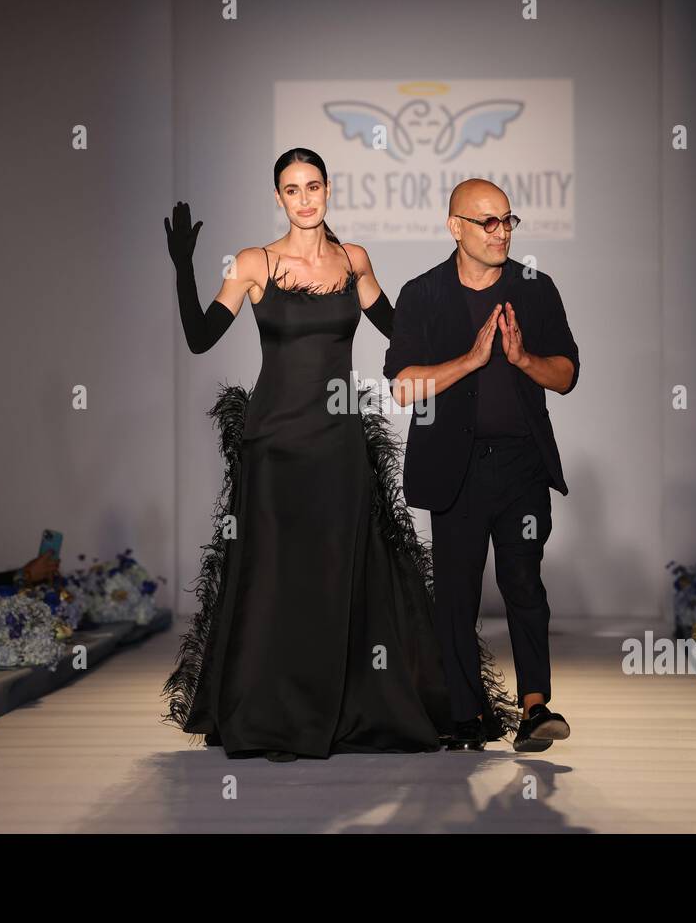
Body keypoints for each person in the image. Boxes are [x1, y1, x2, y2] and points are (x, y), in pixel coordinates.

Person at [160, 148, 519, 762]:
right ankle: (272, 711)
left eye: (314, 186)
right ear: (278, 197)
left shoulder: (354, 261)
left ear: (329, 191)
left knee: (342, 573)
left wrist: (474, 340)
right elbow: (199, 339)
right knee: (273, 579)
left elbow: (401, 327)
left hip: (338, 443)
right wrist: (183, 266)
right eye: (292, 189)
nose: (305, 199)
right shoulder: (253, 263)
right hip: (272, 445)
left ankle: (350, 706)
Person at [383, 178, 580, 753]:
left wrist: (521, 358)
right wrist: (470, 361)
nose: (502, 232)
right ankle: (466, 716)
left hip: (520, 463)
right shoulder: (421, 295)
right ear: (456, 228)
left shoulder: (535, 289)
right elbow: (402, 386)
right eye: (487, 221)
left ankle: (535, 709)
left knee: (523, 583)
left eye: (507, 220)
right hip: (456, 468)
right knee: (456, 596)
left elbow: (566, 375)